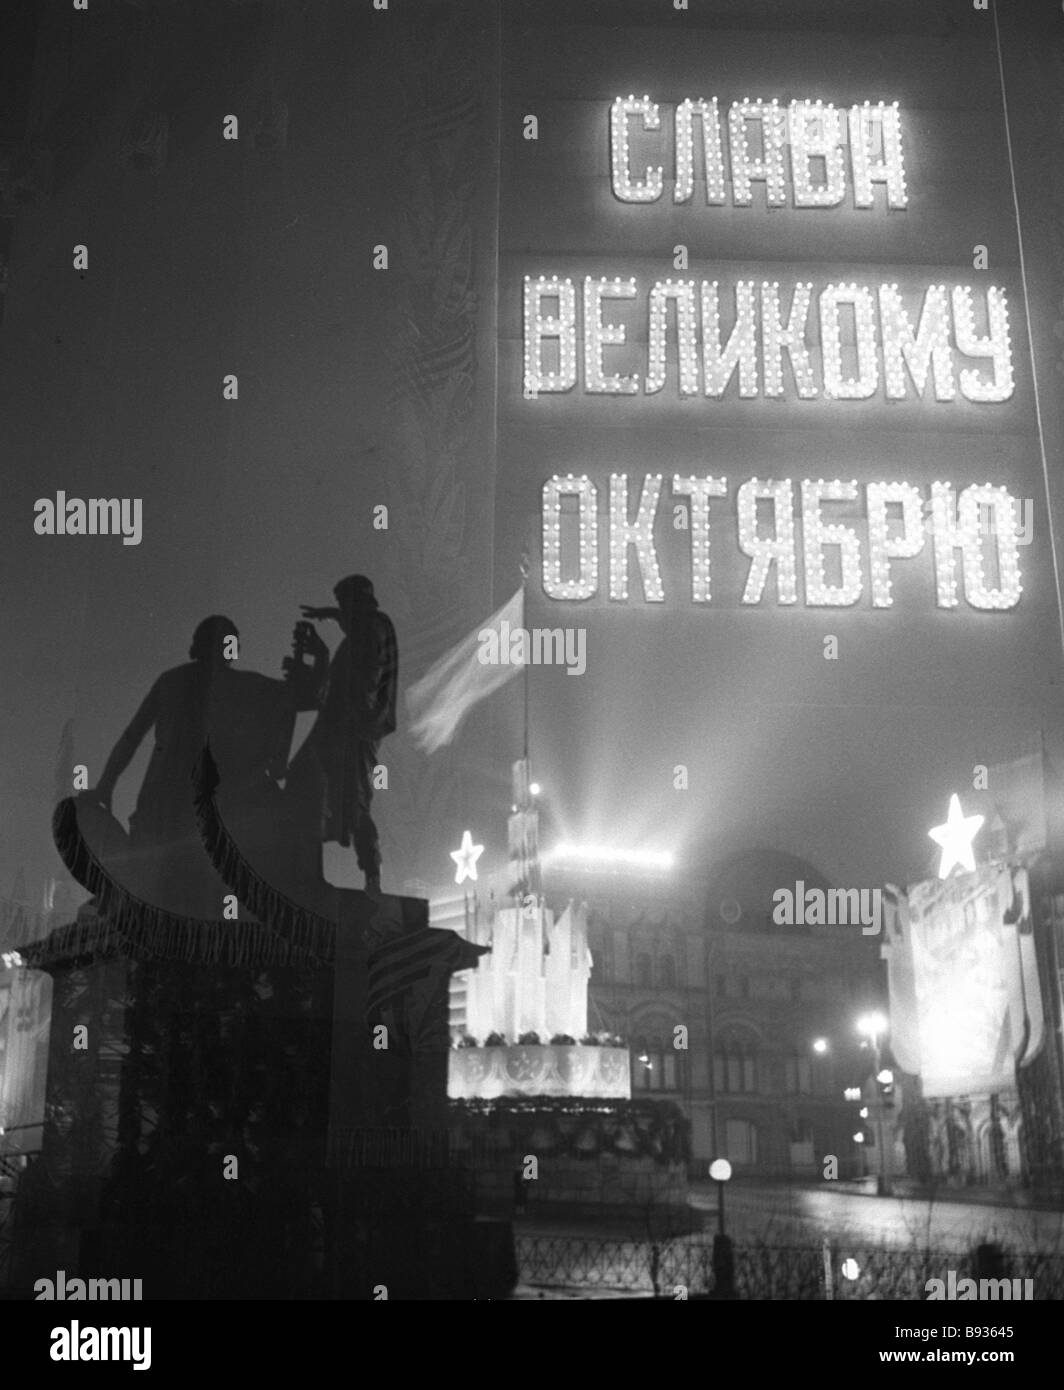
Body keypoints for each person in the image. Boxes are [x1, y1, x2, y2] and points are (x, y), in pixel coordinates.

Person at [92, 615, 294, 852]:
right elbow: (290, 698)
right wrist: (278, 759)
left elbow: (131, 737)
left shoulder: (171, 681)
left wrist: (106, 783)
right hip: (195, 804)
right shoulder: (242, 685)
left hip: (163, 804)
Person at [284, 576, 398, 893]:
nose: (341, 611)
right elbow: (328, 691)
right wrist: (318, 657)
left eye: (343, 603)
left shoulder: (373, 628)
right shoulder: (358, 638)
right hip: (338, 729)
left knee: (355, 803)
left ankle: (371, 877)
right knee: (307, 789)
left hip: (353, 731)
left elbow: (351, 686)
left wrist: (324, 643)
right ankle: (310, 872)